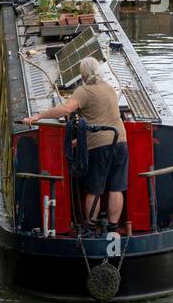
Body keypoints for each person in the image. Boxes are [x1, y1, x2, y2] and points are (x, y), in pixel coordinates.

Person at [23, 56, 128, 232]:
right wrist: (80, 141)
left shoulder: (83, 91)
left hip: (99, 147)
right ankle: (113, 227)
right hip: (120, 141)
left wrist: (38, 116)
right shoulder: (110, 89)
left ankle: (91, 227)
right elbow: (104, 117)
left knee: (94, 189)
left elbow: (65, 110)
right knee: (116, 187)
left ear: (82, 74)